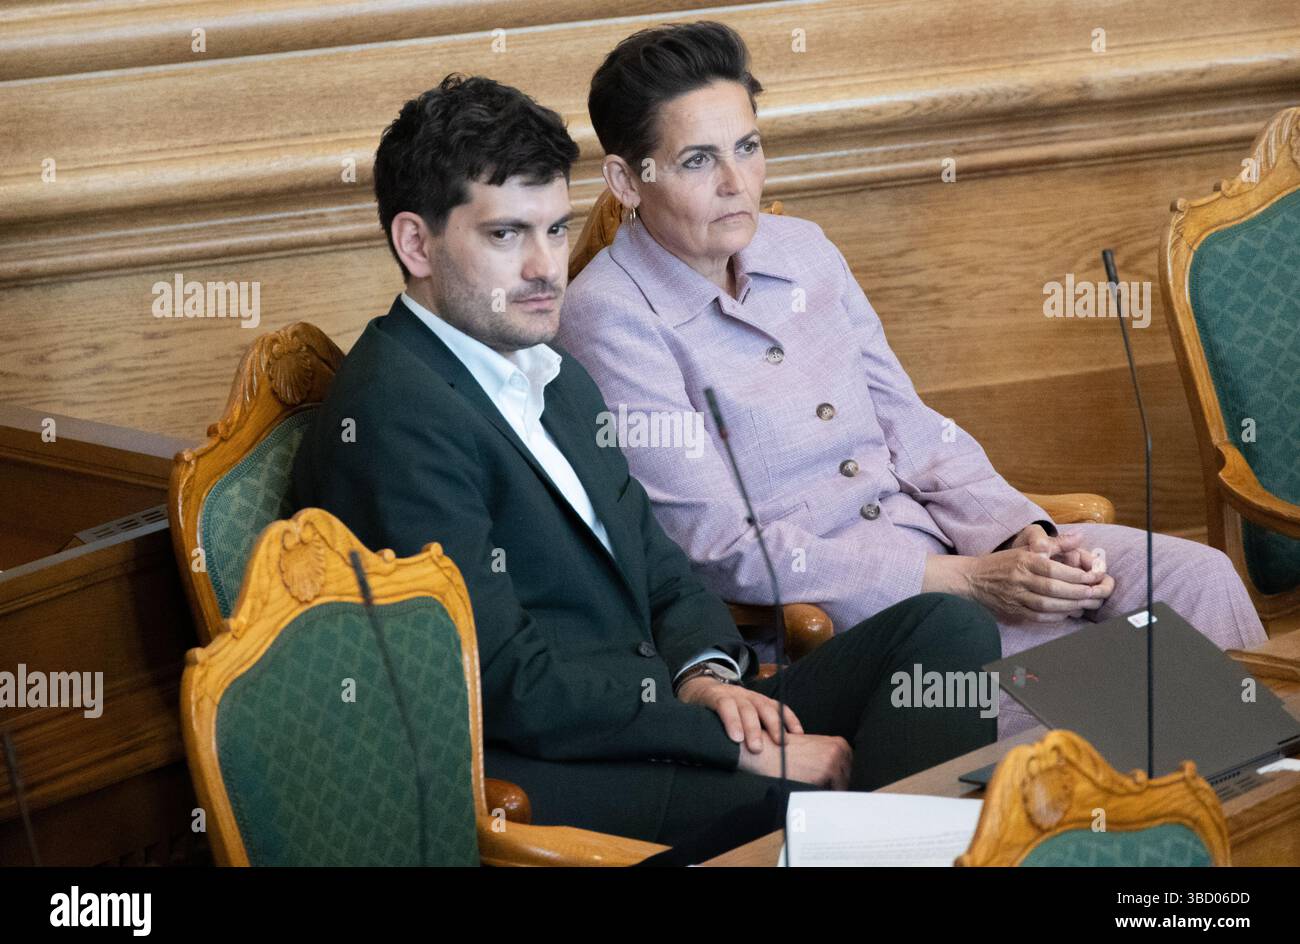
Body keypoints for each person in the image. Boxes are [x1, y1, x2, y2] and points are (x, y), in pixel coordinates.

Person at [290, 73, 1002, 848]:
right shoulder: (398, 412)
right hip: (546, 764)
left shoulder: (547, 369)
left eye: (556, 230)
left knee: (942, 631)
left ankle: (880, 849)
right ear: (415, 243)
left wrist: (707, 678)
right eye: (506, 235)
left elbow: (659, 564)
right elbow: (506, 682)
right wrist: (727, 745)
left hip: (651, 707)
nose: (544, 267)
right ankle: (882, 846)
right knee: (817, 806)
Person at [558, 21, 1268, 740]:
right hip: (840, 609)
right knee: (1122, 681)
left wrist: (1022, 535)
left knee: (1197, 579)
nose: (736, 184)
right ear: (627, 179)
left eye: (748, 147)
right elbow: (719, 548)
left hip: (949, 547)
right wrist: (967, 581)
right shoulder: (607, 316)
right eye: (698, 160)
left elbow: (916, 429)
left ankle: (1248, 809)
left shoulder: (803, 251)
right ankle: (1151, 817)